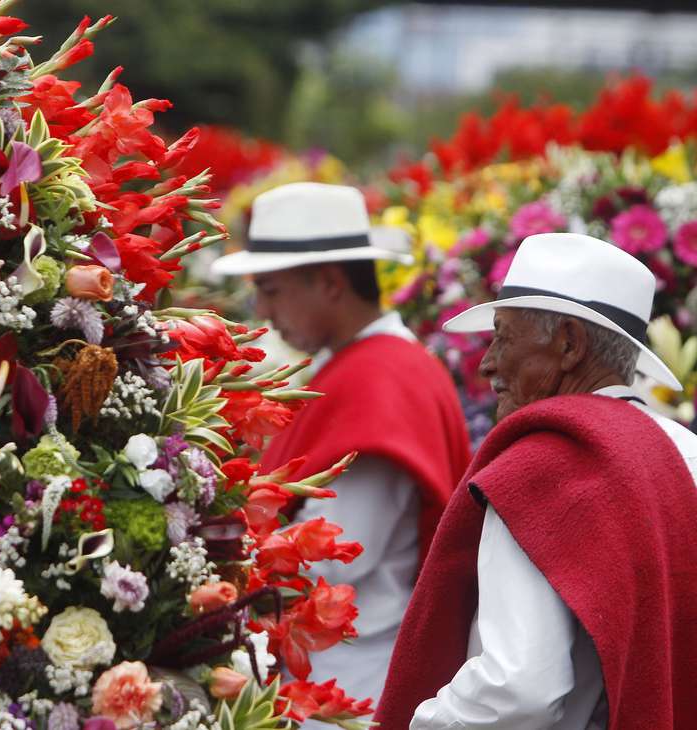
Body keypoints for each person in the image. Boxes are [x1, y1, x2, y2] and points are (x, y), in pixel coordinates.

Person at [376, 232, 697, 729]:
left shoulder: (542, 466)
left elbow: (518, 689)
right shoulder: (685, 451)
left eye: (503, 337)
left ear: (569, 344)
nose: (487, 362)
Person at [211, 182, 471, 706]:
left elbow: (339, 556)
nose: (261, 309)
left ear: (330, 282)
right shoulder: (380, 365)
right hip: (347, 666)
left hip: (349, 680)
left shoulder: (380, 380)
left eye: (271, 289)